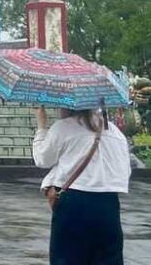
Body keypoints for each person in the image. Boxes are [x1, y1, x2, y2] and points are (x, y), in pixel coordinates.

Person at [33, 105, 131, 264]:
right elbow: (124, 172)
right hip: (108, 205)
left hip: (74, 202)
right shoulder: (115, 133)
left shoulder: (64, 127)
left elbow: (42, 159)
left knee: (67, 258)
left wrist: (42, 127)